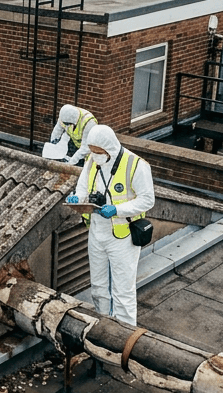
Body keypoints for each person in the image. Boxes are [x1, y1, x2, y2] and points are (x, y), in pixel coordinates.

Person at [65, 125, 155, 325]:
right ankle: (103, 326)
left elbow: (147, 200)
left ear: (110, 148)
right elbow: (82, 188)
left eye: (98, 152)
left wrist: (117, 210)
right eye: (92, 151)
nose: (94, 156)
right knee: (98, 287)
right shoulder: (91, 161)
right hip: (97, 232)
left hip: (122, 236)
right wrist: (77, 199)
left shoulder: (136, 165)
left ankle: (124, 335)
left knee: (122, 290)